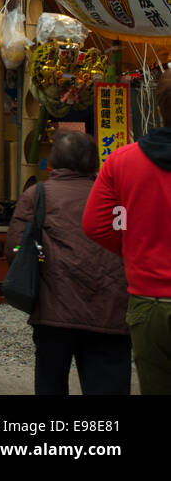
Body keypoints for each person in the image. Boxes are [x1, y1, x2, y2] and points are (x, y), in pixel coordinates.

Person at [5, 131, 130, 394]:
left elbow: (16, 249)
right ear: (95, 163)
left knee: (51, 385)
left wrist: (40, 264)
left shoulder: (37, 195)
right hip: (110, 311)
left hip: (53, 313)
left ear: (53, 161)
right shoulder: (116, 196)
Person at [84, 73, 171, 395]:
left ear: (159, 106)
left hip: (148, 300)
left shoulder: (122, 160)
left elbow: (96, 225)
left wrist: (135, 248)